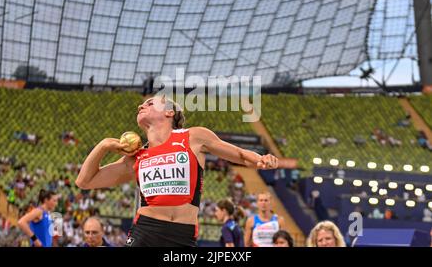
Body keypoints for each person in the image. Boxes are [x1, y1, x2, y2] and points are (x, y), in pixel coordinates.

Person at [76, 95, 297, 247]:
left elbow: (238, 153)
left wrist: (260, 159)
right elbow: (85, 181)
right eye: (141, 106)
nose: (141, 107)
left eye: (151, 103)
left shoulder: (193, 137)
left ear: (170, 112)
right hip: (146, 230)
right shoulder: (137, 157)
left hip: (183, 233)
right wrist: (104, 144)